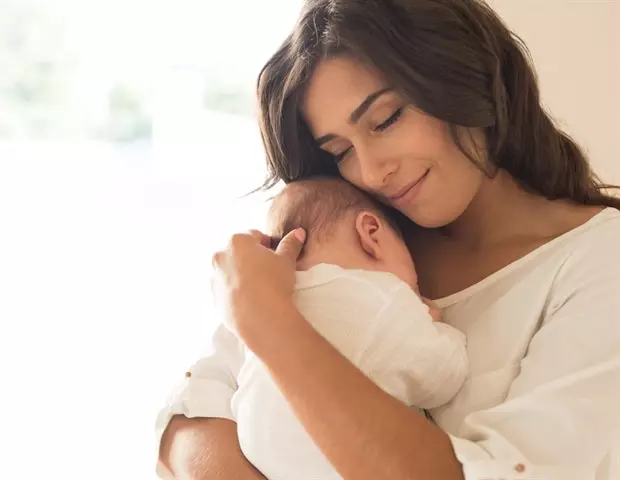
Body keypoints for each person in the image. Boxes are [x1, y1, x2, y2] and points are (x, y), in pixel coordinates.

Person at [157, 1, 620, 479]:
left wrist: (269, 321)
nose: (373, 172)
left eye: (386, 119)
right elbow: (186, 426)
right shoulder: (352, 243)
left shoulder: (599, 262)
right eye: (340, 151)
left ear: (464, 75)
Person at [205, 177, 467, 480]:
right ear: (371, 233)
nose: (414, 283)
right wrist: (435, 324)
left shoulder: (261, 302)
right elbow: (444, 377)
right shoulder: (382, 298)